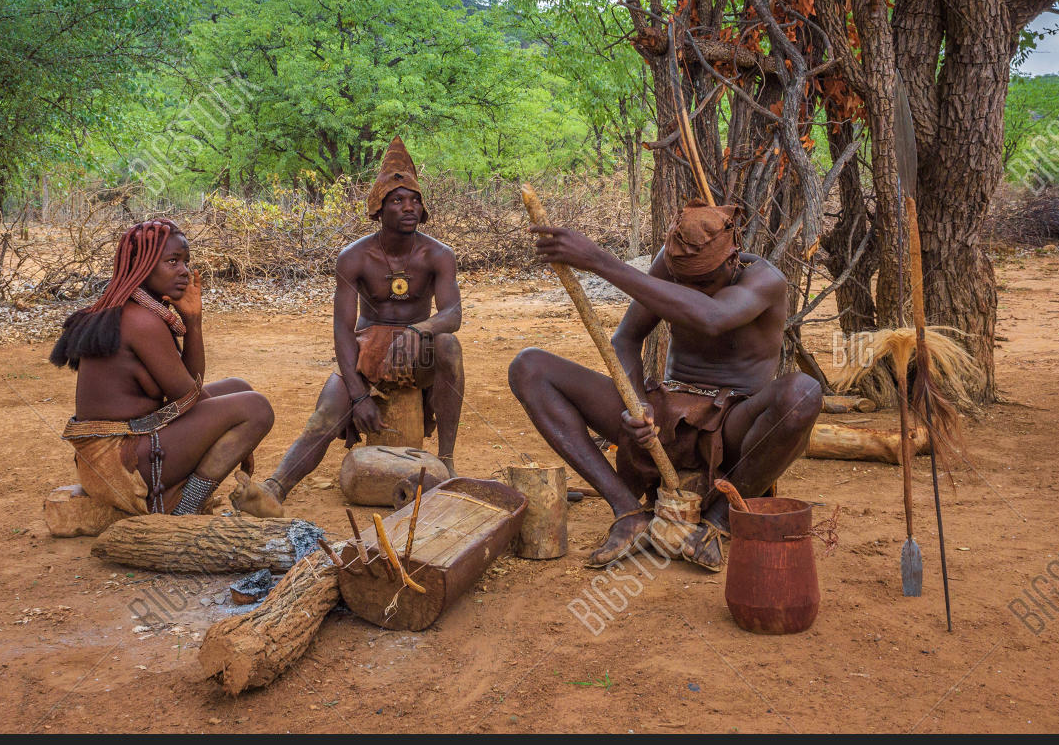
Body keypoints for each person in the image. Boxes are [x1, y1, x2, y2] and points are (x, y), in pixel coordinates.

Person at [508, 200, 822, 571]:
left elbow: (711, 317)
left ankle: (717, 523)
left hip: (731, 424)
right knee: (529, 366)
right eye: (681, 280)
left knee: (802, 393)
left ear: (732, 260)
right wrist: (635, 405)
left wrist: (599, 260)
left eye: (703, 282)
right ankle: (627, 511)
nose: (691, 289)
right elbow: (625, 340)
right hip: (665, 412)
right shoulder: (673, 263)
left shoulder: (765, 280)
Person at [237, 137, 463, 517]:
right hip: (367, 351)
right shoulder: (354, 257)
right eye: (397, 200)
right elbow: (342, 331)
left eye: (415, 201)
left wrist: (417, 330)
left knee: (449, 346)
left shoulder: (438, 254)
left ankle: (447, 460)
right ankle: (274, 488)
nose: (408, 208)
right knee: (327, 413)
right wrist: (358, 397)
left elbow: (452, 314)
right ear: (378, 209)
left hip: (419, 352)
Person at [50, 218, 274, 516]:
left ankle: (178, 498)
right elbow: (189, 397)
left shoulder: (136, 310)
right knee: (255, 408)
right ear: (141, 266)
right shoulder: (140, 321)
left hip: (125, 450)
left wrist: (193, 321)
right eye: (172, 261)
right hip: (118, 468)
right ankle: (182, 509)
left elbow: (187, 393)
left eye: (185, 261)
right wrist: (235, 433)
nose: (184, 271)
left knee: (239, 388)